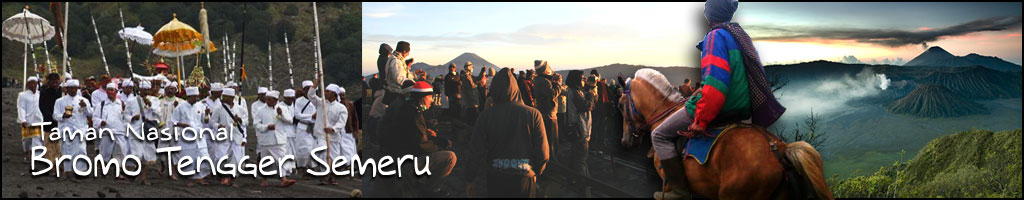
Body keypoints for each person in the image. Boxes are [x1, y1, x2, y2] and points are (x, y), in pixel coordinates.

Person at [652, 0, 785, 198]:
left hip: (723, 108)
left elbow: (716, 84)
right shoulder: (740, 37)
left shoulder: (715, 37)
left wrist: (702, 120)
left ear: (709, 14)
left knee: (659, 135)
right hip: (743, 110)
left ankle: (679, 192)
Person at [466, 68, 549, 197]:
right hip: (524, 177)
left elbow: (475, 150)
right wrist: (535, 172)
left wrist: (470, 179)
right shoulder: (533, 114)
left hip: (496, 178)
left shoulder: (486, 116)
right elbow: (543, 153)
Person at [379, 81, 456, 197]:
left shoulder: (407, 108)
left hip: (395, 157)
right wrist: (438, 147)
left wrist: (429, 135)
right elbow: (421, 144)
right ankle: (430, 188)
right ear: (422, 98)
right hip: (404, 162)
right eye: (430, 97)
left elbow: (413, 135)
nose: (431, 100)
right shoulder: (413, 114)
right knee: (450, 157)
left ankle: (416, 182)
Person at [307, 79, 356, 185]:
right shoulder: (321, 103)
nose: (325, 93)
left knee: (334, 157)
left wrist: (332, 129)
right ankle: (324, 175)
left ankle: (331, 176)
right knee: (323, 153)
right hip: (321, 134)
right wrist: (317, 82)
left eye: (328, 91)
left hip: (333, 136)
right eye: (325, 91)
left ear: (334, 94)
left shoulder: (341, 108)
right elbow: (310, 95)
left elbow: (341, 122)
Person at [253, 90, 298, 187]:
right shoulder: (260, 110)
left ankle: (284, 179)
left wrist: (282, 115)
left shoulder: (282, 108)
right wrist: (266, 127)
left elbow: (290, 121)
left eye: (270, 100)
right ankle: (265, 180)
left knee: (281, 159)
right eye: (267, 99)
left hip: (279, 139)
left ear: (276, 100)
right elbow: (256, 124)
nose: (268, 101)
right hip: (265, 140)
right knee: (265, 161)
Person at [171, 86, 212, 187]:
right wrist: (183, 125)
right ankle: (192, 179)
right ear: (188, 96)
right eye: (194, 97)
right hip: (187, 136)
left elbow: (205, 121)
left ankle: (200, 178)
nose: (196, 98)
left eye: (197, 96)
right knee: (189, 158)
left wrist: (207, 115)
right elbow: (173, 121)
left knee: (203, 156)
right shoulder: (180, 107)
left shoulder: (201, 106)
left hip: (199, 135)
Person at [53, 79, 92, 177]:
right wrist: (63, 116)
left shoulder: (84, 100)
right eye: (71, 88)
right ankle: (68, 170)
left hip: (80, 129)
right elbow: (55, 115)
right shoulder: (60, 101)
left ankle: (81, 170)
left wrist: (85, 107)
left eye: (75, 88)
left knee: (81, 149)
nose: (73, 90)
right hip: (66, 129)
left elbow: (91, 114)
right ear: (67, 89)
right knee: (67, 150)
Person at [211, 88, 248, 186]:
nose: (223, 98)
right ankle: (223, 175)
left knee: (235, 157)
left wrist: (240, 120)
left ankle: (229, 177)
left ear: (231, 97)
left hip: (236, 136)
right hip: (223, 136)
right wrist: (218, 126)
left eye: (226, 97)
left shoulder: (240, 109)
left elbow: (246, 122)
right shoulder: (218, 108)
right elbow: (213, 121)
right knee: (221, 156)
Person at [94, 82, 130, 180]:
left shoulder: (121, 104)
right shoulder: (101, 105)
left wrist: (124, 111)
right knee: (105, 152)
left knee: (120, 153)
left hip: (119, 131)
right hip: (107, 132)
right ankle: (102, 169)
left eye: (112, 90)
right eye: (108, 90)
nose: (110, 92)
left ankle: (117, 173)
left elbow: (126, 118)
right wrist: (100, 122)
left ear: (116, 91)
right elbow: (95, 118)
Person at [563, 70, 595, 177]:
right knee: (581, 159)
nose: (584, 80)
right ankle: (585, 184)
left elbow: (591, 105)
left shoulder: (576, 91)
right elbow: (585, 106)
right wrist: (590, 95)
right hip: (580, 130)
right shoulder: (574, 92)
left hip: (578, 129)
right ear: (576, 80)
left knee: (575, 155)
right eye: (582, 78)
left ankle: (571, 178)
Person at [530, 61, 561, 163]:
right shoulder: (543, 82)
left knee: (546, 140)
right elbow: (553, 94)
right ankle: (552, 162)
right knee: (552, 141)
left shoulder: (538, 80)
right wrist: (558, 83)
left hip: (544, 113)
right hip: (549, 115)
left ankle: (549, 161)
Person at [131, 80, 159, 185]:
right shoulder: (132, 101)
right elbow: (125, 115)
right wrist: (132, 117)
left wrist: (150, 105)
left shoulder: (155, 100)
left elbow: (158, 114)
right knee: (137, 154)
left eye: (147, 90)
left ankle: (143, 178)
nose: (145, 92)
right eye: (143, 90)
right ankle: (135, 170)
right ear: (140, 90)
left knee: (147, 155)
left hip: (148, 131)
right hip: (136, 131)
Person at [156, 81, 183, 180]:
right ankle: (163, 166)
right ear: (165, 90)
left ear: (176, 90)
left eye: (172, 89)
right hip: (163, 130)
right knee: (162, 152)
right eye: (168, 89)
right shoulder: (159, 102)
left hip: (176, 131)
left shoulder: (181, 102)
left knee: (175, 152)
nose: (170, 91)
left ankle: (172, 173)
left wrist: (177, 108)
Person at [291, 81, 318, 174]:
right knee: (303, 148)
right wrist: (311, 116)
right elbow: (297, 115)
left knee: (314, 147)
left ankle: (312, 167)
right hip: (302, 127)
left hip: (314, 128)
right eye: (307, 88)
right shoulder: (299, 101)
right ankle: (303, 166)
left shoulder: (316, 100)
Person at [38, 73, 63, 168]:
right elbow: (42, 106)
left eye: (56, 82)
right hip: (49, 121)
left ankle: (60, 163)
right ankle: (51, 164)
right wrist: (50, 117)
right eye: (53, 82)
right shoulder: (45, 92)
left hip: (60, 121)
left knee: (59, 144)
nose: (55, 84)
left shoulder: (62, 92)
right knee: (49, 144)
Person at [18, 76, 44, 162]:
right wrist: (22, 119)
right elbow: (21, 108)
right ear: (28, 85)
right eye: (31, 83)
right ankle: (26, 152)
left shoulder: (40, 94)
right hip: (28, 119)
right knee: (27, 140)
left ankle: (37, 157)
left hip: (38, 119)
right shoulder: (23, 95)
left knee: (37, 137)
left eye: (35, 83)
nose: (33, 85)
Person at [383, 41, 414, 105]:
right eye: (408, 52)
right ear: (404, 51)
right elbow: (400, 79)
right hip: (395, 94)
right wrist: (415, 84)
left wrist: (414, 74)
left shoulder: (394, 59)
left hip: (392, 93)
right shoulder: (396, 61)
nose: (408, 54)